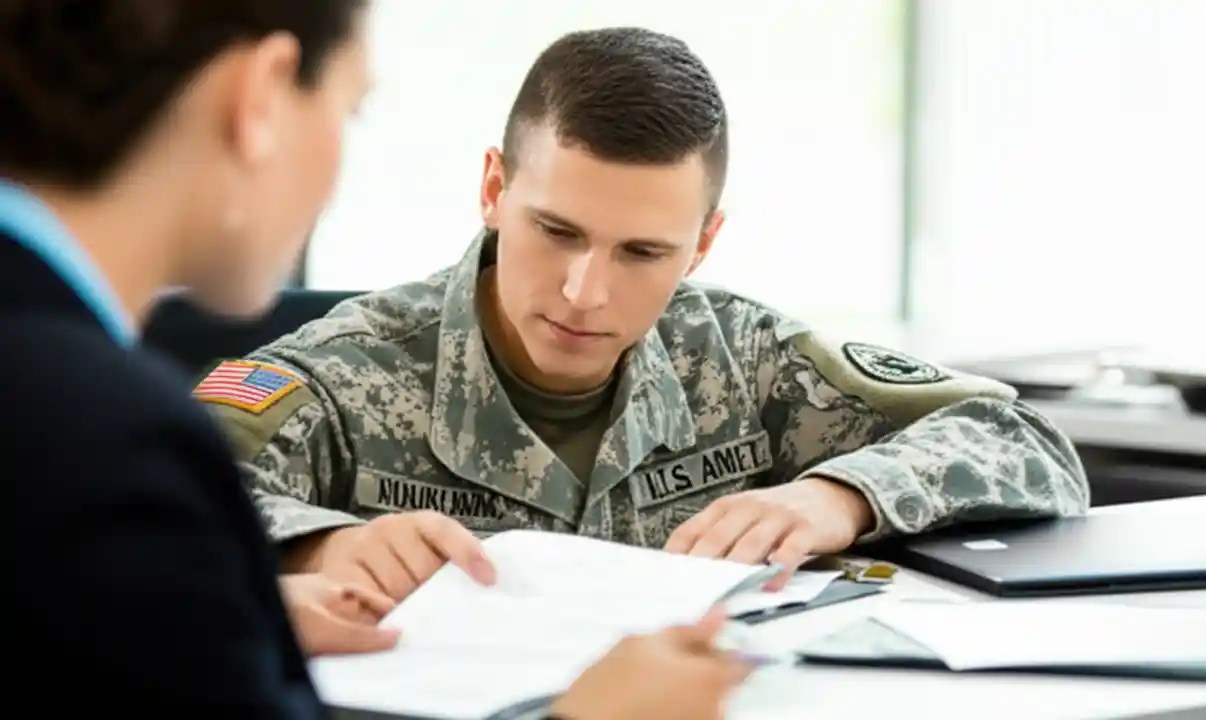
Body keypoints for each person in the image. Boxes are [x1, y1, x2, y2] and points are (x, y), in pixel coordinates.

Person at [3, 2, 746, 715]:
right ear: (261, 96)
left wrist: (252, 608)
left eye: (643, 252)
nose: (585, 293)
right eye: (349, 108)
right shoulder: (105, 443)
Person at [197, 26, 1092, 604]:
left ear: (702, 244)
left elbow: (1026, 442)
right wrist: (314, 551)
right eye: (556, 231)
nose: (587, 291)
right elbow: (145, 503)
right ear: (494, 190)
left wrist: (839, 497)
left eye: (643, 253)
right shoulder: (351, 373)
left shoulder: (742, 357)